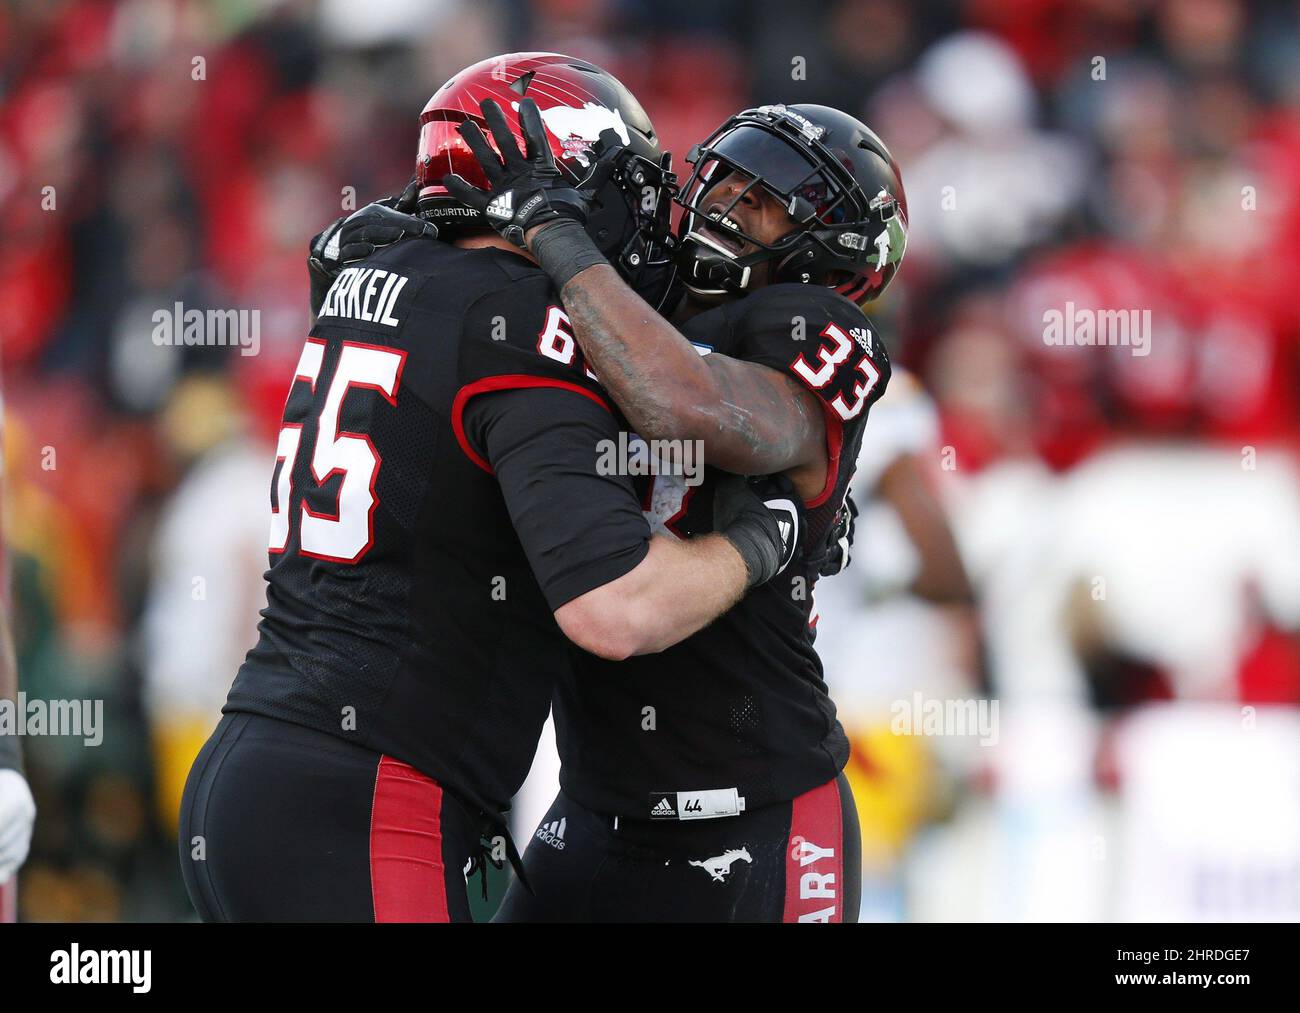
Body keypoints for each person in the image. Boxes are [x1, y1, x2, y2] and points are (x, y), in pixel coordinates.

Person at [178, 53, 796, 923]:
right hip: (368, 801)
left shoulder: (368, 277)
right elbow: (613, 608)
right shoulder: (520, 323)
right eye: (628, 184)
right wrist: (765, 539)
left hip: (259, 767)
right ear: (558, 184)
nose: (651, 214)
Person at [444, 95, 907, 921]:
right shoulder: (628, 289)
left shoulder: (814, 325)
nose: (728, 204)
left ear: (829, 255)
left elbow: (680, 403)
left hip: (759, 813)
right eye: (726, 179)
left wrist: (554, 233)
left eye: (765, 202)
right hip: (592, 807)